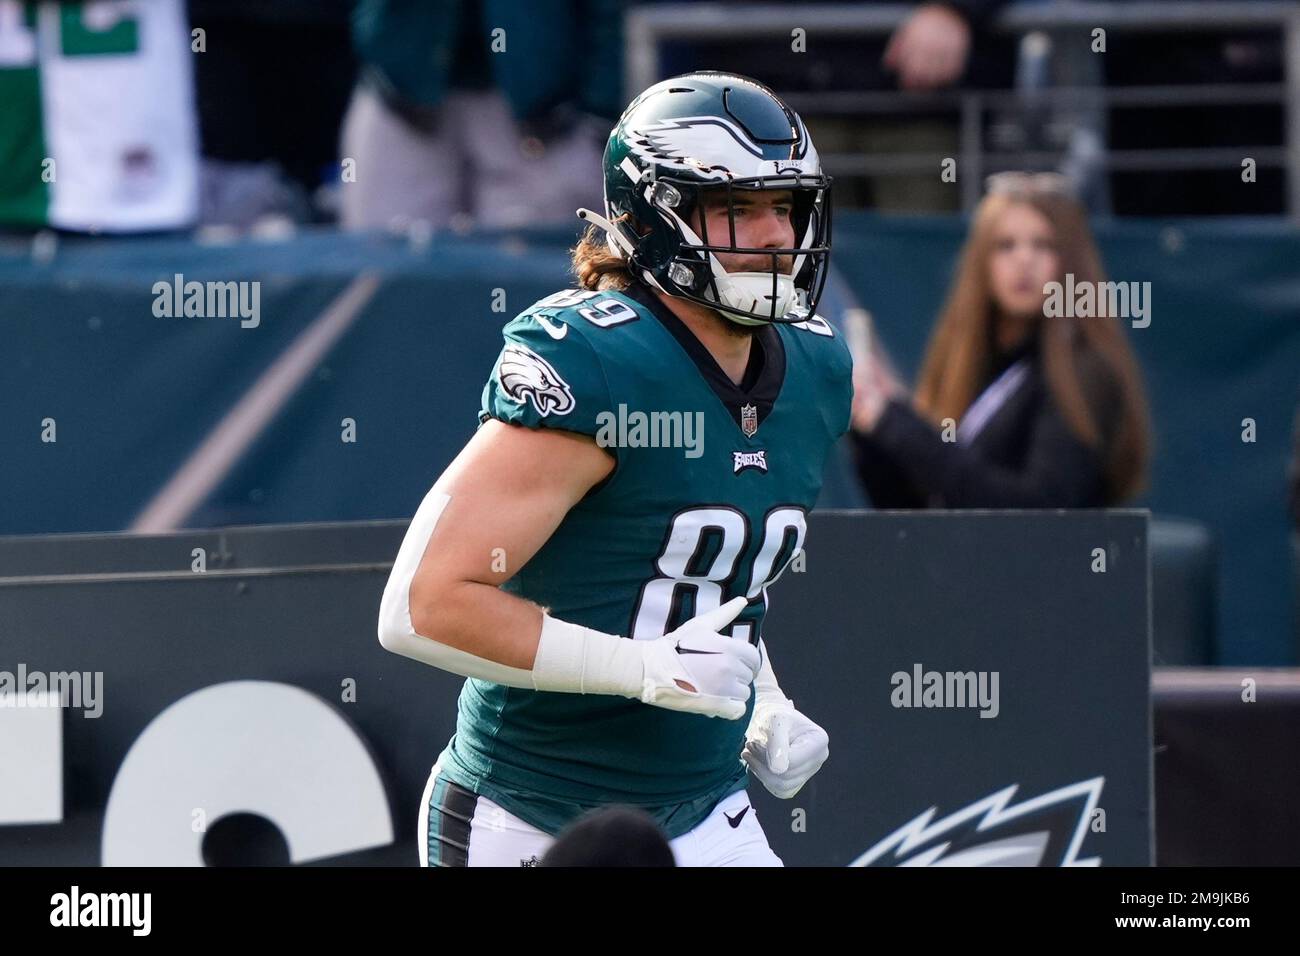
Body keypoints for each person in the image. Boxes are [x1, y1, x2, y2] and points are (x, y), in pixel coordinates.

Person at [378, 72, 850, 866]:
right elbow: (422, 606)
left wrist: (765, 702)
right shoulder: (602, 363)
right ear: (655, 216)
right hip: (532, 811)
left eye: (787, 206)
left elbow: (704, 582)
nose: (775, 234)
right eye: (738, 208)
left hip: (704, 803)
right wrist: (637, 670)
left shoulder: (812, 364)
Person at [850, 172, 1151, 508]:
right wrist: (871, 427)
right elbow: (919, 510)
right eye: (1005, 246)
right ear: (982, 264)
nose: (1024, 261)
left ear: (1071, 262)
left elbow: (1036, 508)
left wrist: (896, 424)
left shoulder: (1085, 371)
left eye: (1044, 245)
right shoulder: (977, 367)